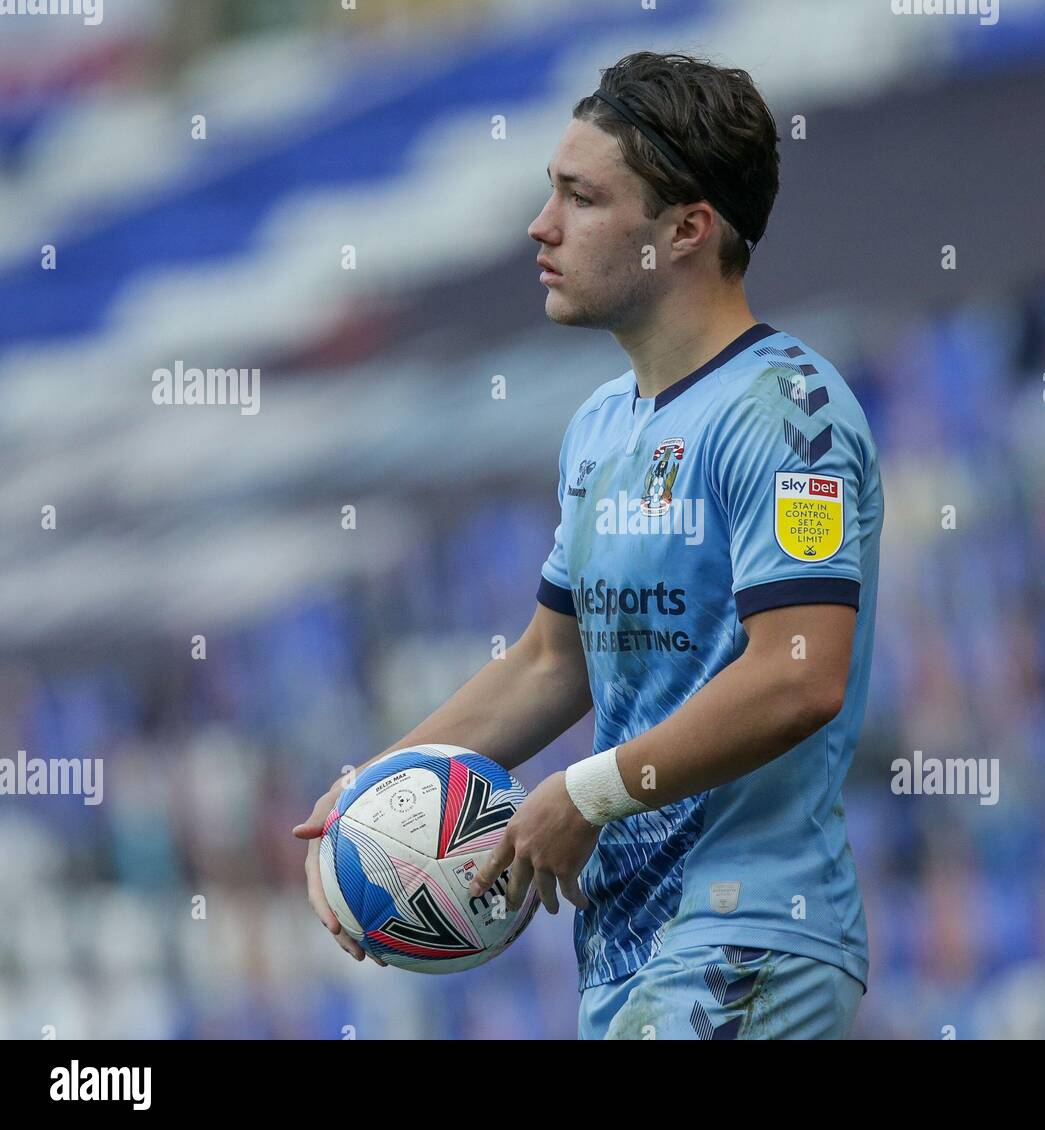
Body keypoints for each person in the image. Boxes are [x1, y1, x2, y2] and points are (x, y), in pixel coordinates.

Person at [295, 50, 883, 1040]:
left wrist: (586, 788)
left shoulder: (790, 411)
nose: (541, 224)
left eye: (580, 196)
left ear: (685, 229)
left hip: (747, 938)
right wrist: (368, 795)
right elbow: (547, 662)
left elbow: (797, 678)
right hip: (627, 948)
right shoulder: (604, 426)